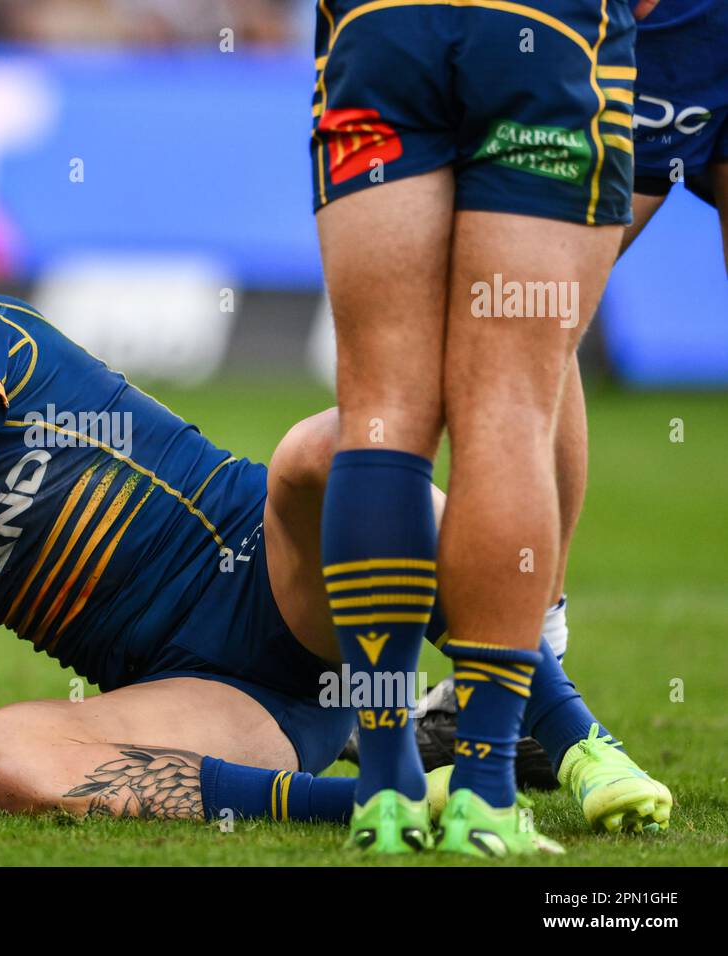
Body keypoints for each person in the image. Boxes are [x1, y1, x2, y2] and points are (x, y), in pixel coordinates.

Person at [0, 234, 670, 843]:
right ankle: (380, 791)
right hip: (223, 704)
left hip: (276, 570)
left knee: (325, 447)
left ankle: (574, 737)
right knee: (7, 754)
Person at [301, 0, 663, 854]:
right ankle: (485, 795)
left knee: (381, 407)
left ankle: (385, 792)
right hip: (550, 31)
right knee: (509, 410)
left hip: (380, 29)